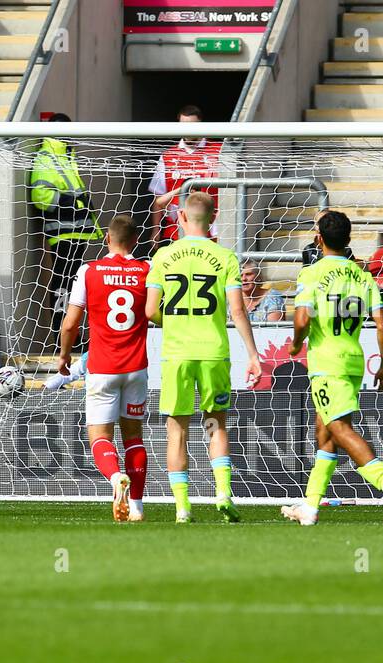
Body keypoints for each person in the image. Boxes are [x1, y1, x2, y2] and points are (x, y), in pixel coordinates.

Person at [282, 210, 383, 526]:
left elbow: (302, 318)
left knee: (338, 429)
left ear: (318, 239)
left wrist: (297, 344)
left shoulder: (311, 273)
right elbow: (382, 323)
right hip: (353, 361)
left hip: (326, 363)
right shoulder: (362, 275)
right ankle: (310, 506)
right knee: (325, 433)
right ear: (349, 240)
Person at [144, 191, 261, 524]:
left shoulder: (164, 257)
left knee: (176, 431)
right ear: (213, 218)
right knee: (215, 425)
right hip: (213, 353)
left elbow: (151, 310)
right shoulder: (225, 257)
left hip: (178, 355)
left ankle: (182, 508)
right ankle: (223, 493)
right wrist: (253, 354)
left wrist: (177, 320)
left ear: (181, 217)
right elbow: (237, 309)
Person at [57, 213, 150, 523]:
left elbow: (71, 323)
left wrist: (64, 355)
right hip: (136, 367)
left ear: (107, 239)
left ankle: (114, 479)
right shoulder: (146, 270)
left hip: (102, 367)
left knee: (100, 437)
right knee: (134, 438)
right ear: (135, 241)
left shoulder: (89, 271)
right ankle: (136, 506)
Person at [29, 113, 103, 338]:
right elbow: (39, 195)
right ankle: (62, 331)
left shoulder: (66, 155)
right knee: (64, 280)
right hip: (63, 230)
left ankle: (71, 332)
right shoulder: (46, 155)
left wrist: (83, 203)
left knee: (73, 280)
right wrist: (69, 202)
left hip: (76, 229)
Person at [149, 105, 221, 245]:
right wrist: (155, 229)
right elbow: (158, 198)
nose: (187, 130)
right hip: (175, 233)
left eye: (192, 126)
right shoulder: (168, 156)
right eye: (183, 126)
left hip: (212, 233)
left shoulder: (219, 151)